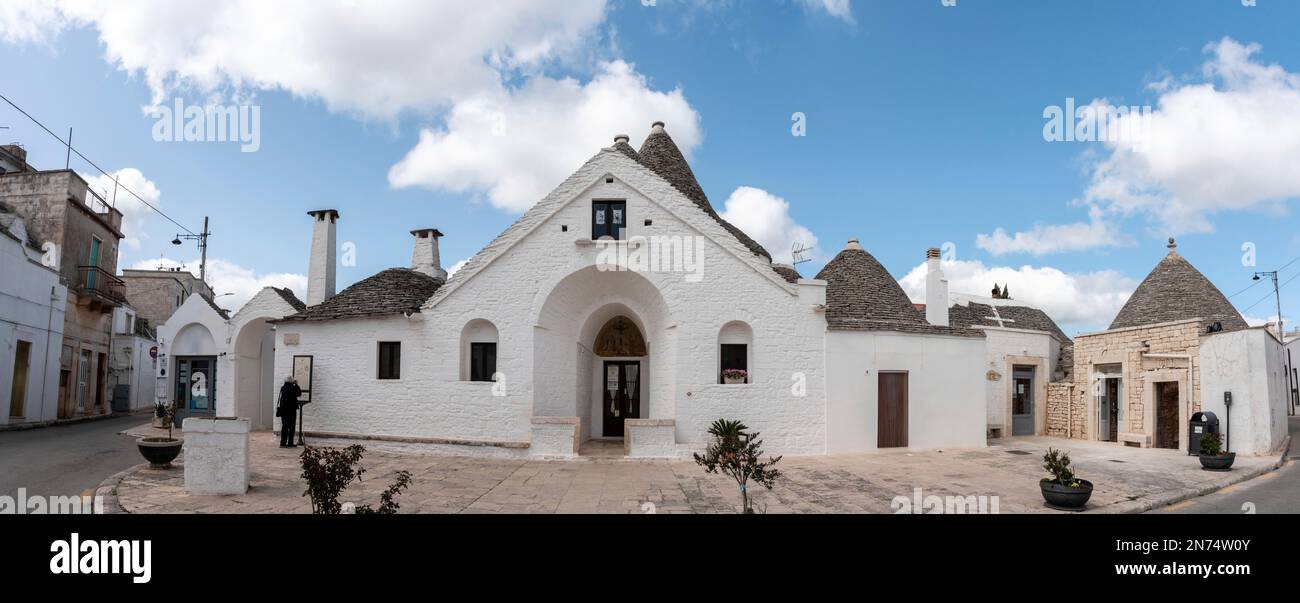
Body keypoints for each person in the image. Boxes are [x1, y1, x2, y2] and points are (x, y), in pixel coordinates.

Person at [278, 376, 302, 448]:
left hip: (283, 410)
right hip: (291, 410)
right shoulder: (293, 388)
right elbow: (299, 393)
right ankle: (290, 443)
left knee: (284, 427)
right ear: (292, 381)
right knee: (291, 427)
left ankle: (283, 443)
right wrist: (296, 384)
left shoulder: (283, 388)